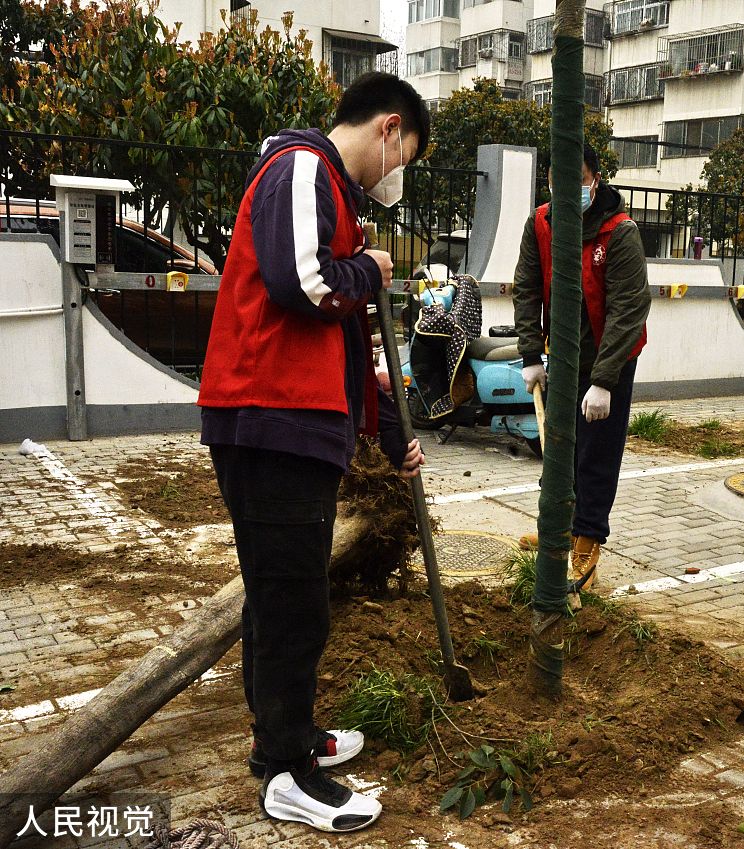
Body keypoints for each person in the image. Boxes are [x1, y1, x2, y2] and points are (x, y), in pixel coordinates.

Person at [197, 72, 429, 833]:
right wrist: (373, 272)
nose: (401, 177)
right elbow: (302, 286)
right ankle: (289, 775)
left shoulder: (336, 200)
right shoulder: (302, 167)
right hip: (271, 419)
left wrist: (393, 438)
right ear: (387, 130)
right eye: (409, 158)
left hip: (294, 423)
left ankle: (282, 742)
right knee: (296, 604)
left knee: (279, 596)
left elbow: (351, 345)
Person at [512, 144, 651, 604]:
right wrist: (531, 352)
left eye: (578, 180)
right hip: (564, 357)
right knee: (559, 449)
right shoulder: (541, 224)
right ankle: (558, 530)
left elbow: (629, 310)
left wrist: (605, 379)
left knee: (596, 454)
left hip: (611, 357)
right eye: (557, 181)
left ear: (595, 180)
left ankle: (587, 543)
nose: (567, 190)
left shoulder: (620, 232)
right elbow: (528, 288)